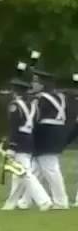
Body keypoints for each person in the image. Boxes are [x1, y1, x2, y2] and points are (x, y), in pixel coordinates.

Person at [2, 68, 51, 210]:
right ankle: (10, 204)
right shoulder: (32, 105)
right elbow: (34, 123)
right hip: (29, 139)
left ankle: (44, 200)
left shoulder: (15, 106)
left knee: (25, 174)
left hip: (19, 142)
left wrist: (11, 146)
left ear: (15, 90)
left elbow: (14, 126)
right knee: (18, 175)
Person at [31, 68, 68, 208]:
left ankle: (60, 201)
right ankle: (25, 200)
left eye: (35, 82)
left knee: (50, 168)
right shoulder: (59, 96)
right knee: (35, 170)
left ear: (42, 84)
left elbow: (35, 117)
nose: (32, 84)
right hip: (56, 133)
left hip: (45, 134)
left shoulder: (41, 99)